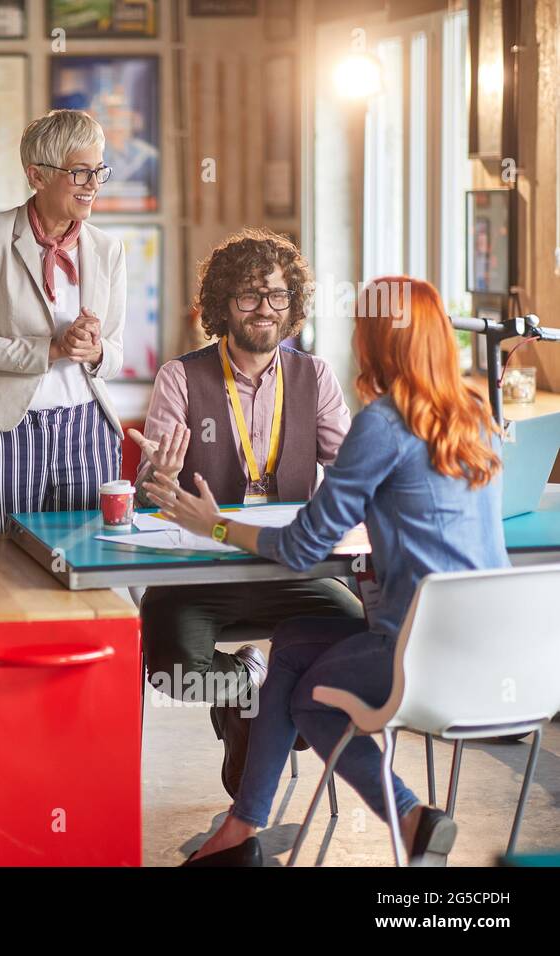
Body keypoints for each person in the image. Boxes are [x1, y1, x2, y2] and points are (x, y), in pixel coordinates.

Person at [145, 277, 506, 867]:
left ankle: (412, 817)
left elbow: (303, 546)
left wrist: (214, 524)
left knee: (310, 701)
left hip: (419, 648)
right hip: (491, 648)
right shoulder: (476, 416)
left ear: (375, 345)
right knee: (291, 647)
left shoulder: (384, 424)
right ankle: (240, 830)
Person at [130, 228, 364, 798]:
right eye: (249, 296)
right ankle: (252, 682)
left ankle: (262, 714)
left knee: (360, 641)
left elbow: (357, 472)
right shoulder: (182, 377)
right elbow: (150, 496)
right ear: (223, 305)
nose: (265, 309)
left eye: (278, 296)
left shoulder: (316, 378)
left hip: (289, 567)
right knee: (168, 671)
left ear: (293, 305)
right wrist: (160, 475)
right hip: (198, 574)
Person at [0, 109, 127, 534]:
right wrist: (56, 348)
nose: (92, 186)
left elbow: (116, 354)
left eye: (98, 171)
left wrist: (96, 348)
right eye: (80, 172)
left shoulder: (107, 248)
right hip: (8, 427)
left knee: (87, 560)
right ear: (38, 175)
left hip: (87, 429)